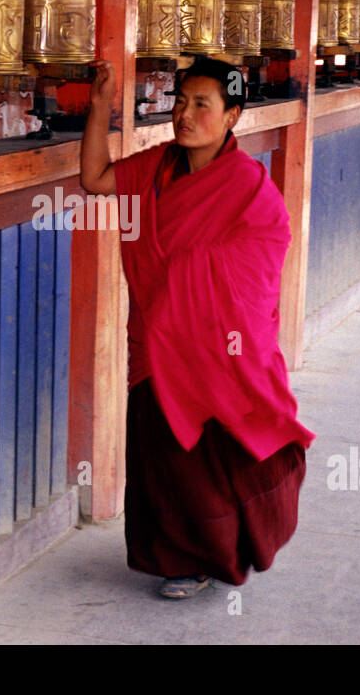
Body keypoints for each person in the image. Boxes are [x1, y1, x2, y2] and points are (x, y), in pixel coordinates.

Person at [80, 57, 315, 600]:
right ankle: (174, 559)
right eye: (179, 102)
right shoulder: (155, 168)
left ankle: (217, 553)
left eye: (201, 105)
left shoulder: (250, 188)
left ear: (232, 116)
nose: (183, 115)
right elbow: (94, 179)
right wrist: (98, 111)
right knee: (163, 458)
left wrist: (191, 284)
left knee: (210, 457)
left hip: (215, 348)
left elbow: (259, 269)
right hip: (155, 343)